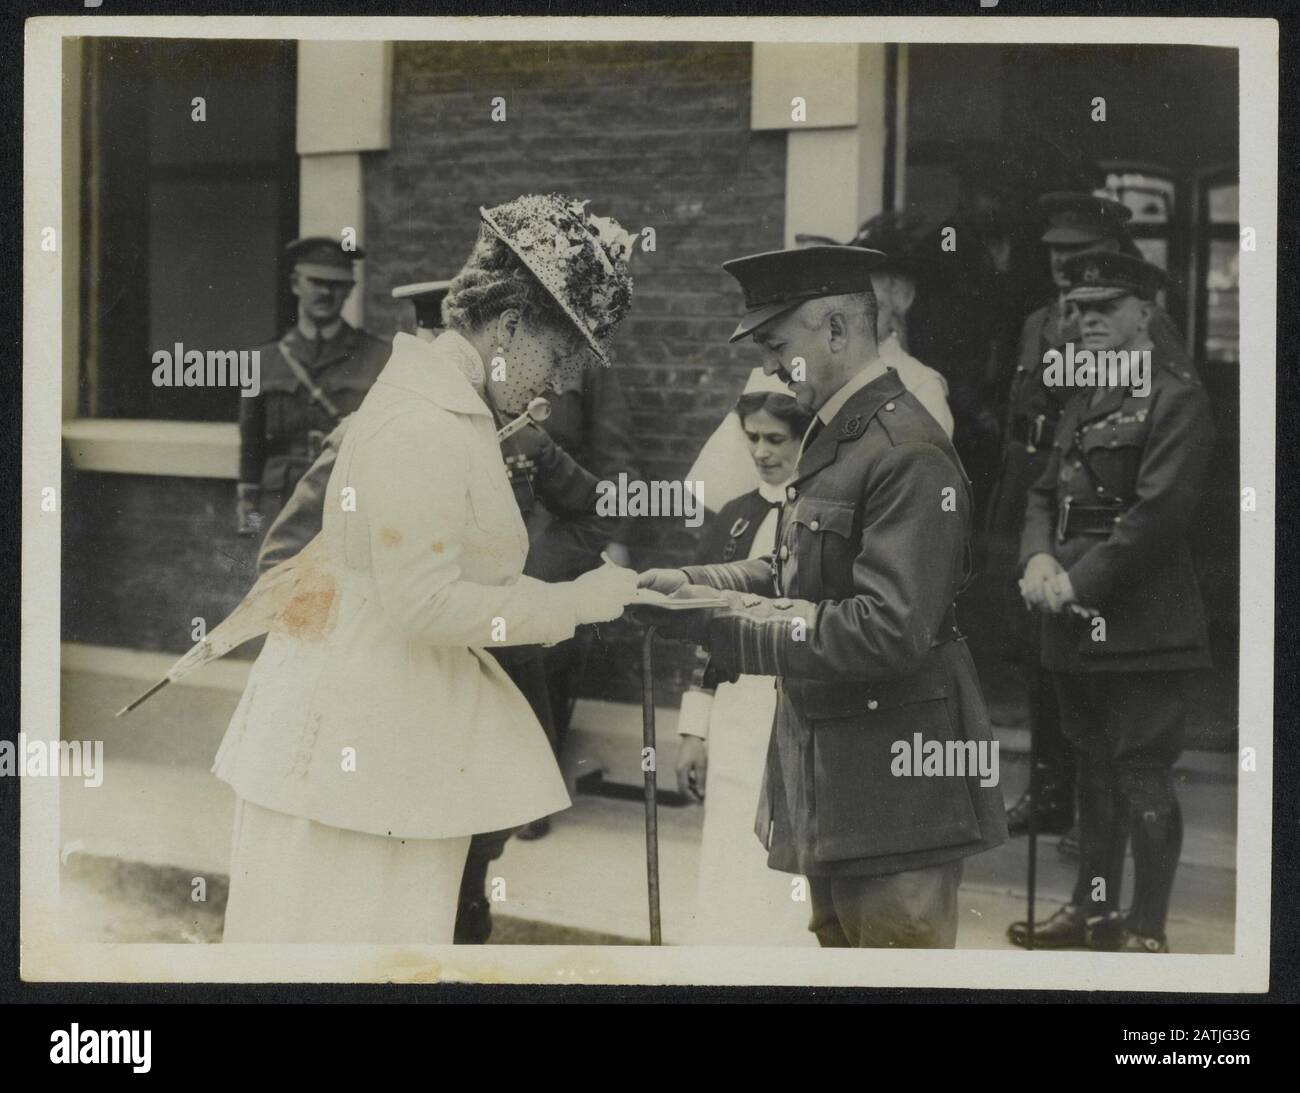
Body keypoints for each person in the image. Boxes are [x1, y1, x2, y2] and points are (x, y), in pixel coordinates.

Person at [213, 194, 639, 943]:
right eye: (564, 353)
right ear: (508, 327)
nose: (567, 380)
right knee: (347, 948)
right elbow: (426, 605)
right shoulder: (424, 420)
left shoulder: (444, 403)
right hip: (355, 763)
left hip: (385, 744)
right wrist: (577, 601)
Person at [638, 245, 1007, 949]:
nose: (769, 367)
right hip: (835, 781)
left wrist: (720, 626)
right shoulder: (838, 438)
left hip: (896, 795)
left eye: (777, 345)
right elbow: (794, 571)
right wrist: (697, 586)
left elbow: (888, 629)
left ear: (837, 330)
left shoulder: (905, 450)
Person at [1006, 251, 1212, 953]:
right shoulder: (1083, 394)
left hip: (1143, 622)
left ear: (1144, 312)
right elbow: (1042, 490)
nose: (1085, 319)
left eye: (1105, 308)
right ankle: (1089, 911)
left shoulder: (1176, 397)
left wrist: (1077, 581)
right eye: (1078, 308)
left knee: (1142, 774)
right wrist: (1037, 554)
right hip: (1074, 617)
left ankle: (1145, 927)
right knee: (1092, 771)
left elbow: (1157, 515)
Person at [988, 193, 1188, 849]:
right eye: (1055, 256)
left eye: (1076, 257)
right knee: (1036, 645)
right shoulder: (1039, 319)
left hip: (1099, 501)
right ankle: (1051, 787)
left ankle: (1082, 799)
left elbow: (1152, 415)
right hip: (1039, 478)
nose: (1063, 270)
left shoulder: (1134, 327)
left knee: (1090, 656)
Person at [674, 378, 818, 945]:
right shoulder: (734, 517)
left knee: (790, 860)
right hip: (738, 707)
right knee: (731, 844)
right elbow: (706, 628)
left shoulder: (826, 515)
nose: (762, 452)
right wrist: (695, 726)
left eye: (777, 439)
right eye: (752, 437)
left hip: (801, 703)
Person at [236, 236, 391, 538]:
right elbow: (251, 450)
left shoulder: (378, 357)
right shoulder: (261, 361)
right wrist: (251, 525)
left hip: (346, 496)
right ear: (295, 283)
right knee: (275, 580)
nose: (325, 292)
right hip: (279, 502)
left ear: (350, 289)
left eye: (336, 284)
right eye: (316, 281)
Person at [796, 221, 954, 436]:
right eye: (850, 301)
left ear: (901, 301)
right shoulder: (822, 371)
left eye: (874, 306)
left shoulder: (921, 386)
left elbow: (927, 466)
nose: (856, 317)